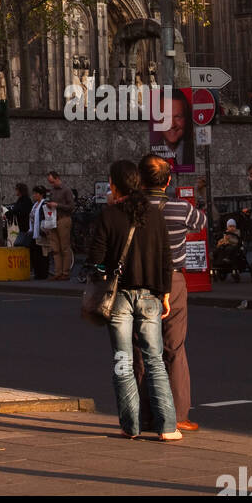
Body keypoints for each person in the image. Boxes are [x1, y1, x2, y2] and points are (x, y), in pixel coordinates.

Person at [87, 158, 179, 441]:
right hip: (151, 294)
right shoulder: (153, 215)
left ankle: (131, 426)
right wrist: (164, 295)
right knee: (155, 360)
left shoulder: (108, 215)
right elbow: (166, 258)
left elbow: (96, 260)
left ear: (115, 185)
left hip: (119, 298)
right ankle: (167, 427)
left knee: (123, 360)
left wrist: (102, 279)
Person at [134, 154, 206, 433]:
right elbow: (200, 223)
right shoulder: (179, 208)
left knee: (141, 349)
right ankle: (176, 415)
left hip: (138, 282)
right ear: (168, 181)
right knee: (173, 348)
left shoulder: (129, 209)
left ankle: (144, 415)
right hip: (173, 281)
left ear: (139, 179)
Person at [151, 89, 195, 172]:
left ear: (186, 119)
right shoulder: (150, 155)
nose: (172, 125)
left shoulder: (195, 152)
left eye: (178, 117)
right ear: (158, 119)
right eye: (166, 117)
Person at [45, 169, 75, 279]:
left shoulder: (66, 190)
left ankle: (65, 273)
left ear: (57, 178)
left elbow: (71, 207)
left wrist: (57, 205)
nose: (51, 184)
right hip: (54, 219)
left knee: (64, 247)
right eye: (50, 182)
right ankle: (58, 272)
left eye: (52, 181)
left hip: (63, 219)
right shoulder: (52, 191)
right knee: (55, 248)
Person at [28, 185, 51, 279]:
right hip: (34, 233)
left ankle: (43, 274)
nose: (34, 195)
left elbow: (48, 217)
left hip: (42, 232)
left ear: (41, 194)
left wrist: (45, 228)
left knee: (43, 254)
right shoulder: (35, 205)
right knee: (35, 254)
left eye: (35, 193)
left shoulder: (44, 204)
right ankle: (38, 273)